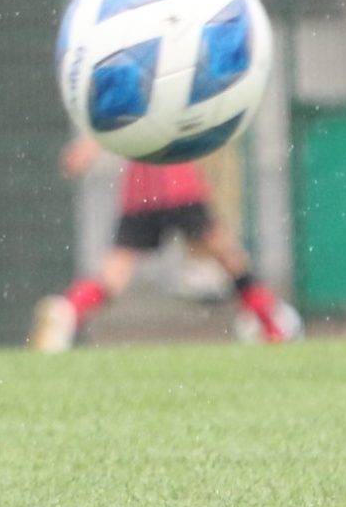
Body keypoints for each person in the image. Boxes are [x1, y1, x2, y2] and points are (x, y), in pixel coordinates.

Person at [31, 138, 302, 352]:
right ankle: (271, 325)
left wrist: (87, 148)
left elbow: (115, 117)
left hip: (141, 189)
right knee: (230, 257)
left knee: (115, 274)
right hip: (177, 182)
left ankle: (67, 311)